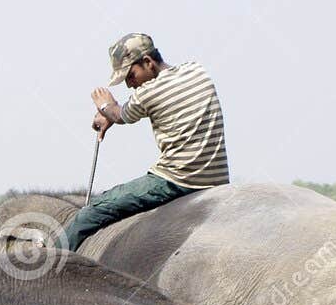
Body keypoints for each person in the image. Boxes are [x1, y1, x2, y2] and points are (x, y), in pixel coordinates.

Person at [58, 32, 231, 250]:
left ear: (148, 62)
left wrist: (104, 106)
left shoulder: (147, 93)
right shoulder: (197, 71)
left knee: (90, 213)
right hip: (218, 178)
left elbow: (120, 114)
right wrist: (112, 114)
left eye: (131, 75)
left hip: (177, 180)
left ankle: (49, 262)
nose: (130, 85)